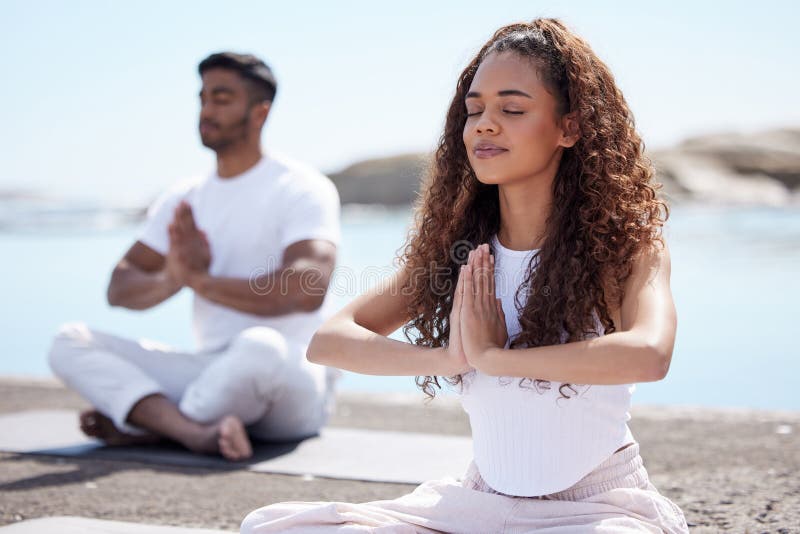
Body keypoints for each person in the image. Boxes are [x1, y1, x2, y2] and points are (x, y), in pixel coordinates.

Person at [240, 18, 689, 533]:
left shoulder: (621, 245)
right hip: (483, 502)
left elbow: (650, 354)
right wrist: (450, 357)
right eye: (475, 110)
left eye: (512, 109)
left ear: (570, 127)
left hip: (597, 506)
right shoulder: (459, 252)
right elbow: (329, 341)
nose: (484, 125)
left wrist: (497, 360)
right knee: (272, 527)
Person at [48, 52, 342, 461]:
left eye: (221, 98)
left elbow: (305, 289)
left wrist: (201, 281)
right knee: (69, 342)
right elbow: (120, 287)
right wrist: (173, 277)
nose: (206, 110)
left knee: (259, 346)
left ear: (260, 112)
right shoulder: (184, 197)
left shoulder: (302, 187)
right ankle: (193, 431)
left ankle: (154, 427)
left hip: (290, 378)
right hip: (210, 373)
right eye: (203, 97)